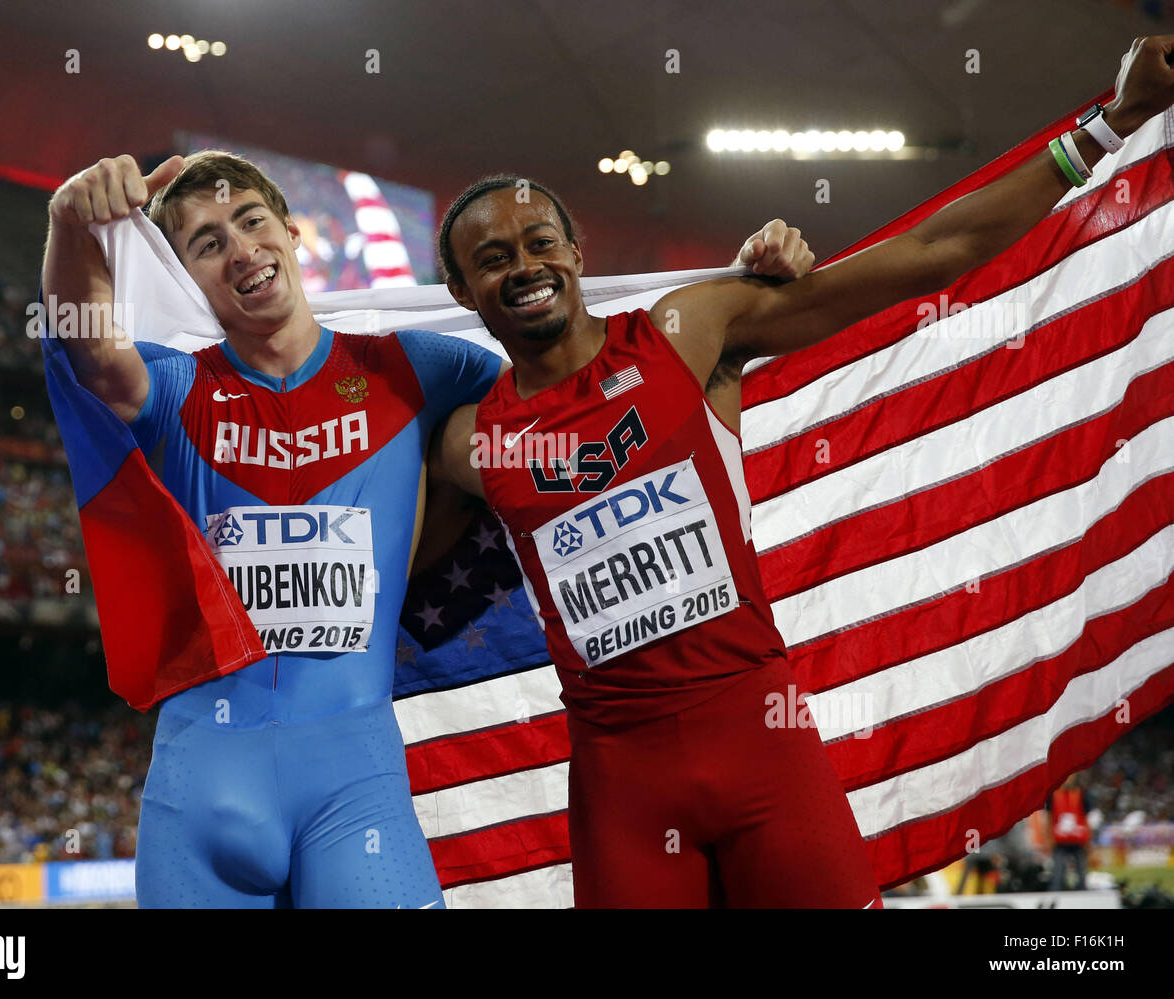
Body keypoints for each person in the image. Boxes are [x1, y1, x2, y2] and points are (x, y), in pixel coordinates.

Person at [428, 37, 1174, 907]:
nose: (524, 266)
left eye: (539, 241)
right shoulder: (468, 443)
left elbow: (931, 254)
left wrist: (1109, 125)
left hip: (761, 745)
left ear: (577, 252)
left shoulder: (686, 331)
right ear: (457, 291)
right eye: (493, 258)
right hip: (619, 782)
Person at [41, 148, 810, 907]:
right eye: (208, 243)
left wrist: (736, 288)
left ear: (292, 231)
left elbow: (579, 373)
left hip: (355, 793)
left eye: (250, 221)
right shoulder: (179, 388)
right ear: (187, 277)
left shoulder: (412, 368)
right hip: (200, 793)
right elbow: (93, 354)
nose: (240, 250)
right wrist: (71, 223)